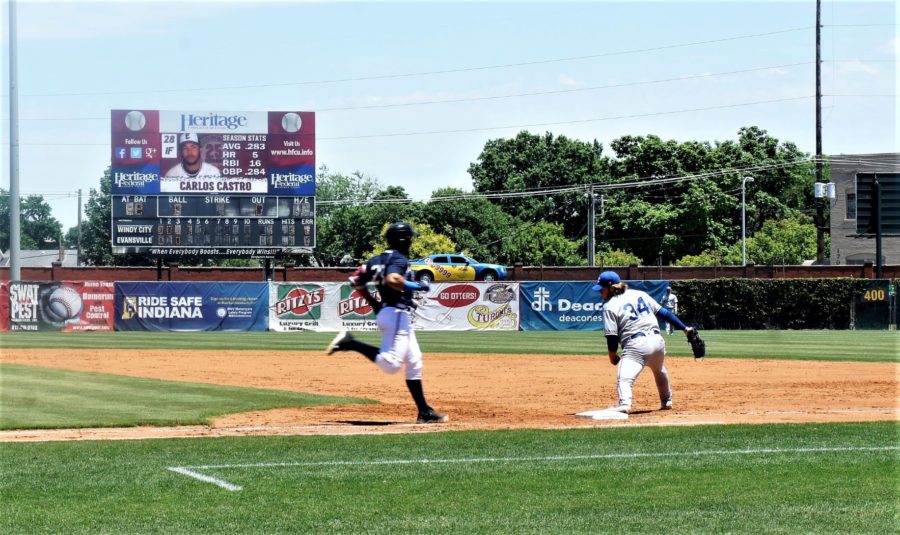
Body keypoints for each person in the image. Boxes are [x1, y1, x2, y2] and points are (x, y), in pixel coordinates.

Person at [326, 221, 448, 424]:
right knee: (391, 364)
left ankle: (424, 411)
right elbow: (393, 279)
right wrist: (418, 286)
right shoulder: (398, 259)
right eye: (410, 238)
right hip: (397, 315)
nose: (411, 242)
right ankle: (350, 342)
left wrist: (377, 305)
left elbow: (356, 281)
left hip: (390, 313)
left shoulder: (375, 260)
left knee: (414, 361)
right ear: (404, 240)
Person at [593, 271, 695, 413]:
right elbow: (664, 313)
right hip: (658, 342)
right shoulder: (639, 294)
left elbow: (612, 337)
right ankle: (667, 401)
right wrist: (685, 328)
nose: (600, 292)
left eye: (602, 289)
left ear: (611, 288)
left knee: (624, 379)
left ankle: (624, 404)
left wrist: (612, 356)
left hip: (637, 345)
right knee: (659, 370)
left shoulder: (609, 306)